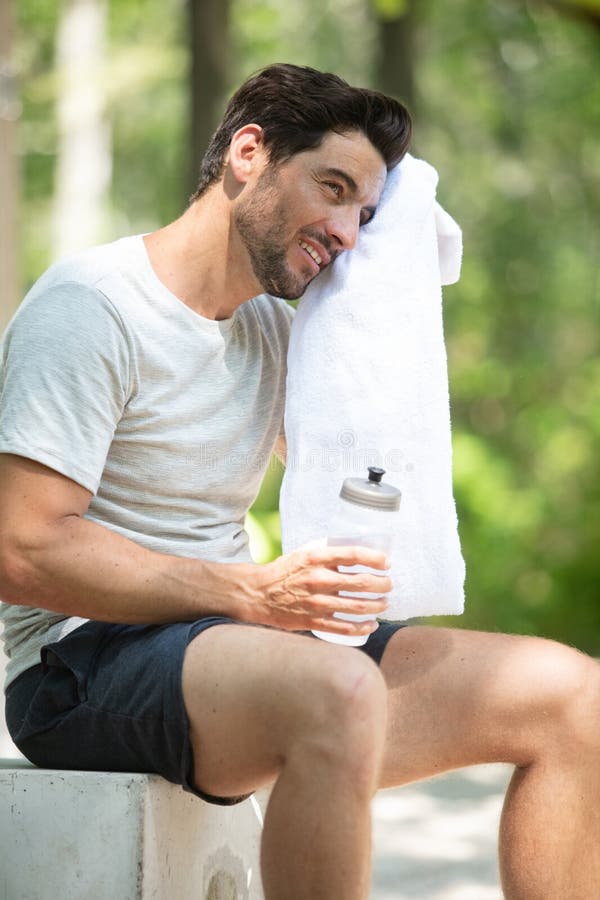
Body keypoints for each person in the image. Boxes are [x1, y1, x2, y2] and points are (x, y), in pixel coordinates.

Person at [0, 63, 598, 900]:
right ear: (249, 154)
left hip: (236, 646)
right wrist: (251, 593)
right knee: (339, 690)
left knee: (575, 697)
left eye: (365, 214)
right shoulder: (92, 305)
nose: (347, 232)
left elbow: (356, 460)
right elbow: (21, 549)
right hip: (79, 666)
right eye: (333, 187)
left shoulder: (276, 334)